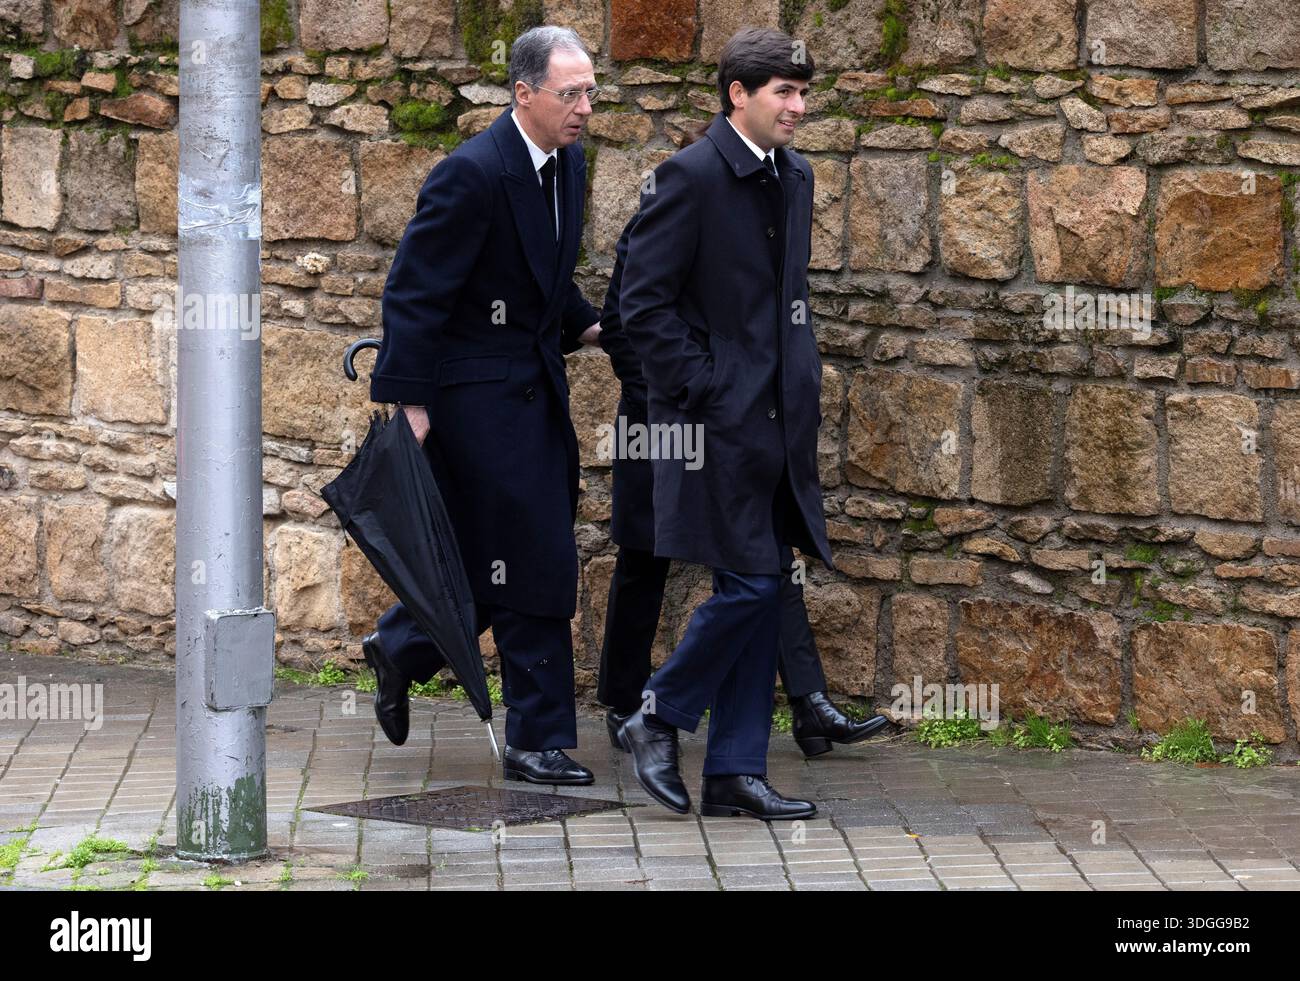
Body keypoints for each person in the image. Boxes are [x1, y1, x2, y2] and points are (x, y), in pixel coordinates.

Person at [363, 26, 603, 786]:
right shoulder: (468, 174)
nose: (585, 107)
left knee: (487, 559)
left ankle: (401, 647)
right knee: (537, 556)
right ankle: (536, 738)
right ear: (524, 94)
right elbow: (414, 291)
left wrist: (589, 325)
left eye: (591, 91)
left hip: (535, 395)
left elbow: (546, 273)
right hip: (473, 404)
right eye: (571, 94)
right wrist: (411, 402)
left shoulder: (568, 166)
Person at [616, 27, 840, 820]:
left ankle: (734, 770)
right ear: (737, 94)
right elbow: (641, 304)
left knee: (764, 580)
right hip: (712, 426)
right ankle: (659, 712)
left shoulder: (797, 175)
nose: (798, 106)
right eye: (783, 91)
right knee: (749, 584)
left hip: (778, 424)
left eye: (802, 91)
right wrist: (706, 387)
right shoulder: (690, 175)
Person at [596, 194, 889, 761]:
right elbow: (622, 324)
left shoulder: (749, 229)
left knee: (765, 552)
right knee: (644, 557)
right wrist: (675, 394)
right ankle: (624, 701)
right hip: (659, 420)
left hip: (726, 422)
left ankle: (807, 702)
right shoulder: (670, 210)